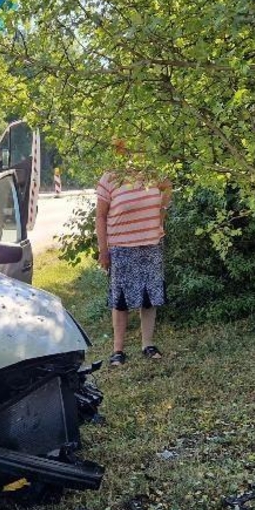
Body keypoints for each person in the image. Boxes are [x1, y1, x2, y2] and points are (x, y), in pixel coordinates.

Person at [95, 139, 172, 366]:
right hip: (121, 248)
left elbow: (167, 187)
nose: (129, 153)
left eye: (133, 148)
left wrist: (162, 213)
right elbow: (100, 216)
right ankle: (118, 350)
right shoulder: (109, 178)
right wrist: (103, 250)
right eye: (122, 149)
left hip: (150, 244)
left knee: (149, 297)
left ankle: (147, 344)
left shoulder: (152, 173)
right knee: (121, 300)